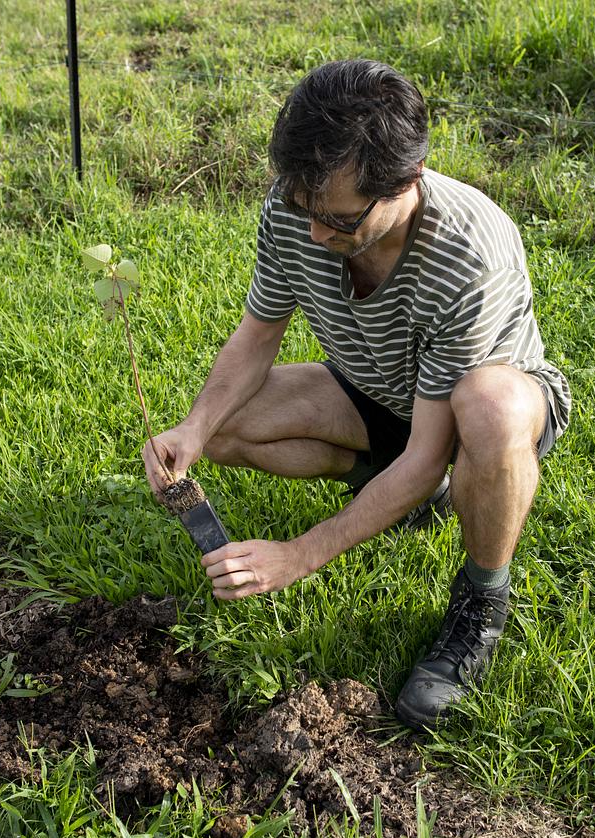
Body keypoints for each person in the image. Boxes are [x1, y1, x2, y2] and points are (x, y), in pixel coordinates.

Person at [141, 59, 571, 729]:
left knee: (488, 408)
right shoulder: (300, 206)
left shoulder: (470, 254)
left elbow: (427, 453)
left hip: (472, 420)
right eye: (304, 210)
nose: (317, 234)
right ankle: (410, 499)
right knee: (223, 426)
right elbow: (257, 336)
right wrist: (192, 429)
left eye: (339, 220)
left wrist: (299, 554)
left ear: (408, 178)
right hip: (375, 389)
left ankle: (481, 602)